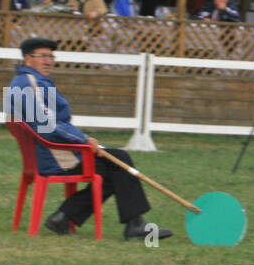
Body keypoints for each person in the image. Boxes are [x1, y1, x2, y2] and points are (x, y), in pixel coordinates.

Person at [9, 38, 172, 240]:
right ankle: (134, 225)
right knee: (118, 161)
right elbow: (49, 125)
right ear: (27, 58)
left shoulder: (34, 81)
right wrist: (85, 140)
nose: (48, 61)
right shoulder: (29, 83)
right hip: (56, 155)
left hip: (54, 151)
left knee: (115, 164)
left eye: (51, 56)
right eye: (42, 56)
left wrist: (83, 141)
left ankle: (64, 217)